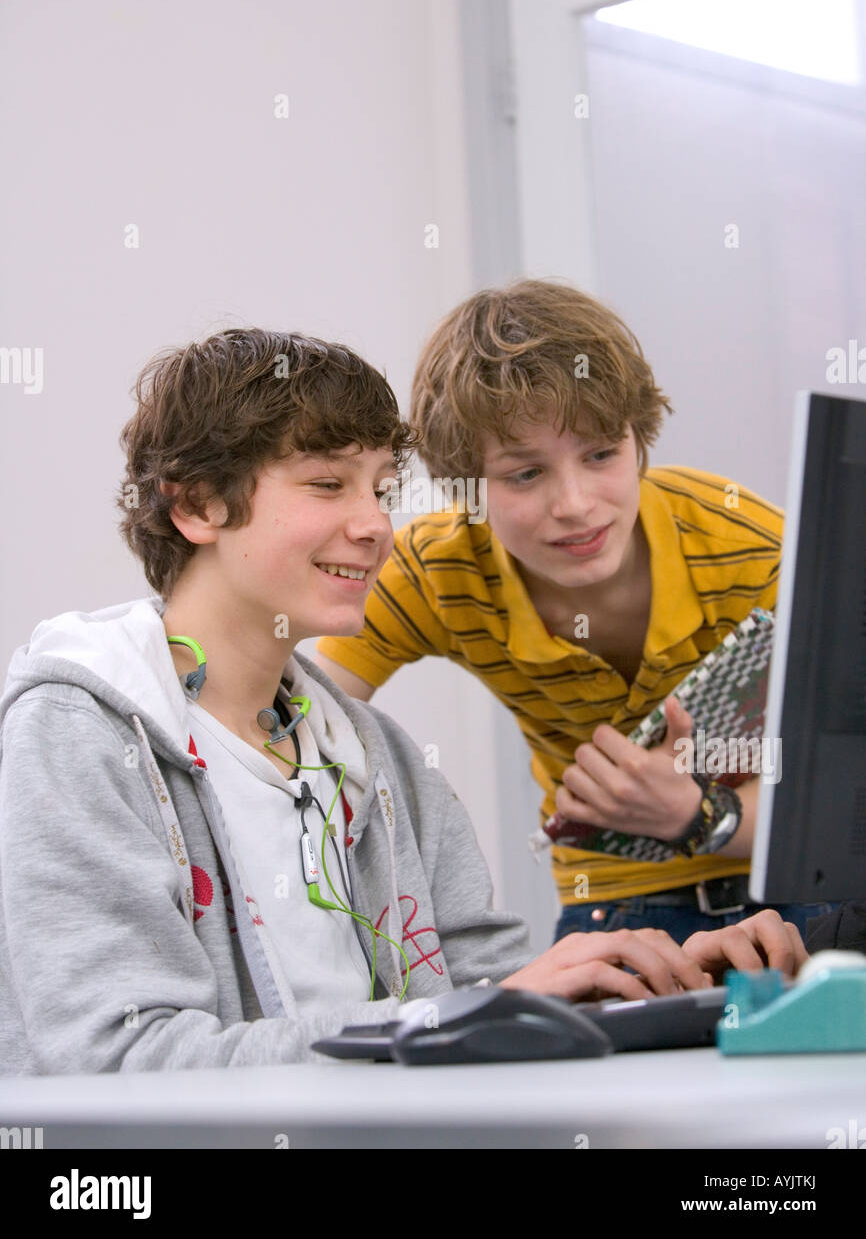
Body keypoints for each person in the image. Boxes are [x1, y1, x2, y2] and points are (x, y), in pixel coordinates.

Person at [0, 327, 815, 1077]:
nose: (376, 527)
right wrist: (460, 1014)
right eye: (328, 485)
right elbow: (119, 1058)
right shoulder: (79, 734)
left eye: (383, 491)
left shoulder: (373, 754)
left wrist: (644, 986)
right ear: (194, 505)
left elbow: (485, 991)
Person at [315, 280, 836, 944]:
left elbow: (842, 810)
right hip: (614, 909)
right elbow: (305, 728)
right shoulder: (436, 570)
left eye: (601, 454)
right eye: (525, 474)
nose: (576, 505)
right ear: (466, 487)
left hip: (798, 887)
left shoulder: (753, 549)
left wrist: (694, 813)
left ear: (637, 439)